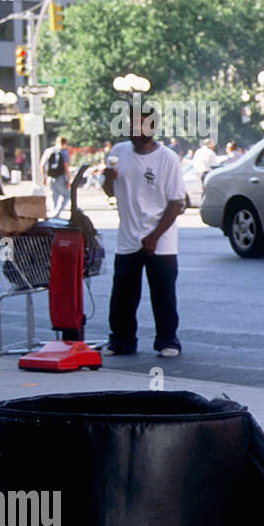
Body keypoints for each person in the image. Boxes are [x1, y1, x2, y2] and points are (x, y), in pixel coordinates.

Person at [102, 110, 187, 358]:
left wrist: (154, 236)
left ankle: (167, 340)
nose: (135, 131)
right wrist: (108, 179)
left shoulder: (167, 158)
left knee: (163, 293)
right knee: (123, 294)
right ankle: (121, 340)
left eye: (141, 126)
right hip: (128, 234)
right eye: (132, 125)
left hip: (161, 238)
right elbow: (110, 191)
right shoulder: (118, 152)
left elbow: (177, 203)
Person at [41, 136, 70, 217]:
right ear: (65, 143)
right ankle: (57, 211)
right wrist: (68, 180)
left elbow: (42, 164)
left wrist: (44, 177)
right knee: (67, 195)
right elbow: (66, 167)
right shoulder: (64, 152)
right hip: (60, 177)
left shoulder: (48, 151)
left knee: (54, 195)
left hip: (50, 176)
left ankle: (53, 212)